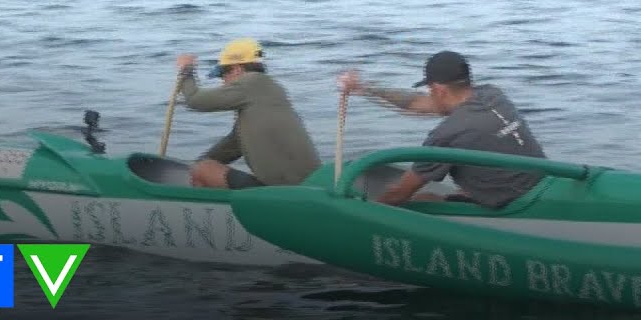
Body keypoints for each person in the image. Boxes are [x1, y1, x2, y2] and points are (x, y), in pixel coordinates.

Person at [340, 50, 547, 208]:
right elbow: (416, 103)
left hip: (513, 205)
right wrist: (365, 89)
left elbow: (400, 193)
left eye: (430, 89)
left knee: (422, 200)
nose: (429, 95)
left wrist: (362, 214)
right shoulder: (492, 95)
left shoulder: (448, 134)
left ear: (438, 90)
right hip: (542, 184)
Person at [175, 38, 321, 189]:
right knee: (202, 166)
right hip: (306, 187)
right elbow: (232, 146)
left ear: (237, 69)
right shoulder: (269, 93)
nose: (223, 82)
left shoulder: (252, 82)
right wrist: (198, 163)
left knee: (203, 170)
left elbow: (194, 100)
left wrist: (187, 70)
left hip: (284, 192)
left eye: (222, 74)